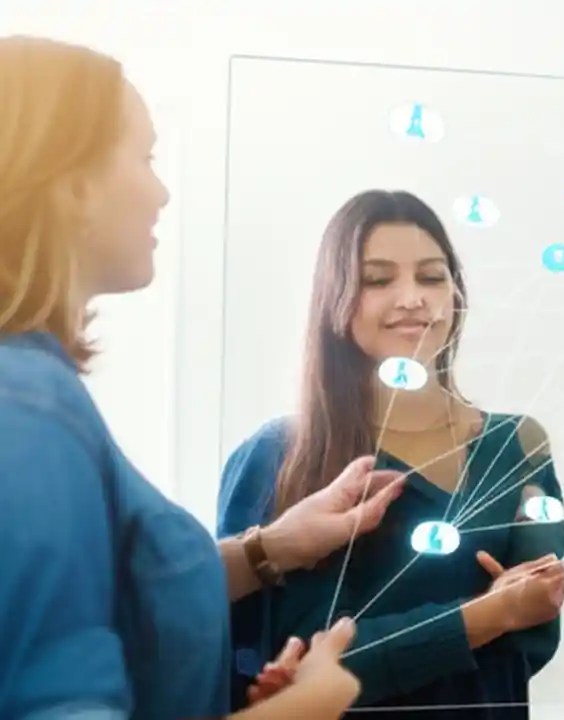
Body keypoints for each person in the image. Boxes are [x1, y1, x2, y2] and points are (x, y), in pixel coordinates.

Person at [0, 36, 403, 720]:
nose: (160, 189)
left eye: (432, 276)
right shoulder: (29, 407)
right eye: (145, 157)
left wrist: (271, 548)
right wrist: (303, 709)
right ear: (68, 180)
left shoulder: (36, 393)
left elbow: (112, 600)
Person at [218, 189, 564, 718]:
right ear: (335, 298)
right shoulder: (277, 455)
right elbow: (287, 667)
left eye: (431, 276)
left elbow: (534, 635)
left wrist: (505, 615)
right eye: (378, 279)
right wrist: (485, 615)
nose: (412, 298)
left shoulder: (518, 443)